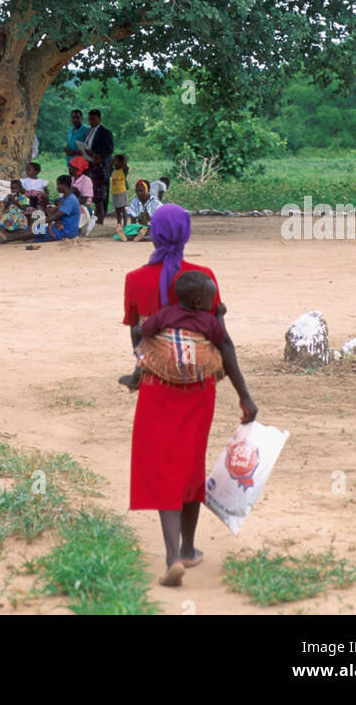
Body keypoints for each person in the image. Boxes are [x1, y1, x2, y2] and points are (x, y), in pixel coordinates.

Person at [122, 204, 251, 586]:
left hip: (156, 388)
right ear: (187, 233)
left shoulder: (135, 279)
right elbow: (223, 341)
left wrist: (137, 371)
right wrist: (245, 396)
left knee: (162, 466)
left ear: (154, 232)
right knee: (190, 463)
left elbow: (136, 335)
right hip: (198, 390)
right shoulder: (203, 278)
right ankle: (190, 548)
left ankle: (172, 556)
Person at [118, 274, 250, 411]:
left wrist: (141, 331)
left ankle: (138, 371)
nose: (212, 303)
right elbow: (221, 338)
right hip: (197, 373)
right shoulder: (208, 320)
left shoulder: (165, 314)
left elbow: (147, 330)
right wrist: (220, 316)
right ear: (198, 303)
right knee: (217, 355)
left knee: (137, 331)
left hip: (166, 369)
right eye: (211, 300)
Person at [77, 109, 114, 224]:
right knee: (90, 191)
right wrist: (84, 151)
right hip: (89, 165)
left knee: (101, 194)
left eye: (93, 119)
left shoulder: (105, 132)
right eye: (89, 119)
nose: (91, 122)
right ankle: (92, 217)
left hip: (101, 167)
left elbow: (109, 150)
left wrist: (94, 153)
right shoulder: (88, 131)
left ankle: (101, 219)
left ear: (99, 119)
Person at [31, 175, 82, 242]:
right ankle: (12, 237)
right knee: (33, 230)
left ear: (64, 185)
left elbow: (53, 217)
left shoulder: (70, 200)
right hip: (61, 228)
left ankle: (12, 238)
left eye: (58, 185)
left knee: (33, 230)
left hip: (65, 232)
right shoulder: (64, 198)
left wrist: (38, 222)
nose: (57, 187)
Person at [111, 154, 129, 226]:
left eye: (116, 161)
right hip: (115, 193)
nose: (114, 162)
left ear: (121, 163)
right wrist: (112, 162)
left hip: (121, 192)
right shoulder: (113, 170)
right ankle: (119, 223)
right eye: (114, 161)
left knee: (123, 209)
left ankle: (125, 224)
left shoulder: (123, 171)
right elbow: (108, 167)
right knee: (117, 210)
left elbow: (126, 165)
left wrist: (123, 160)